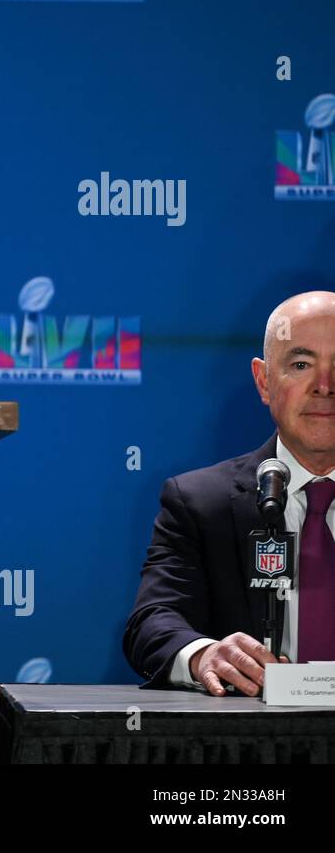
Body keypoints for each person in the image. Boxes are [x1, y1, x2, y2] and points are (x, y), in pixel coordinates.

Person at [124, 291, 335, 696]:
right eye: (301, 364)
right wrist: (205, 655)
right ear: (264, 381)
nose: (324, 386)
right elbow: (152, 620)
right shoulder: (200, 502)